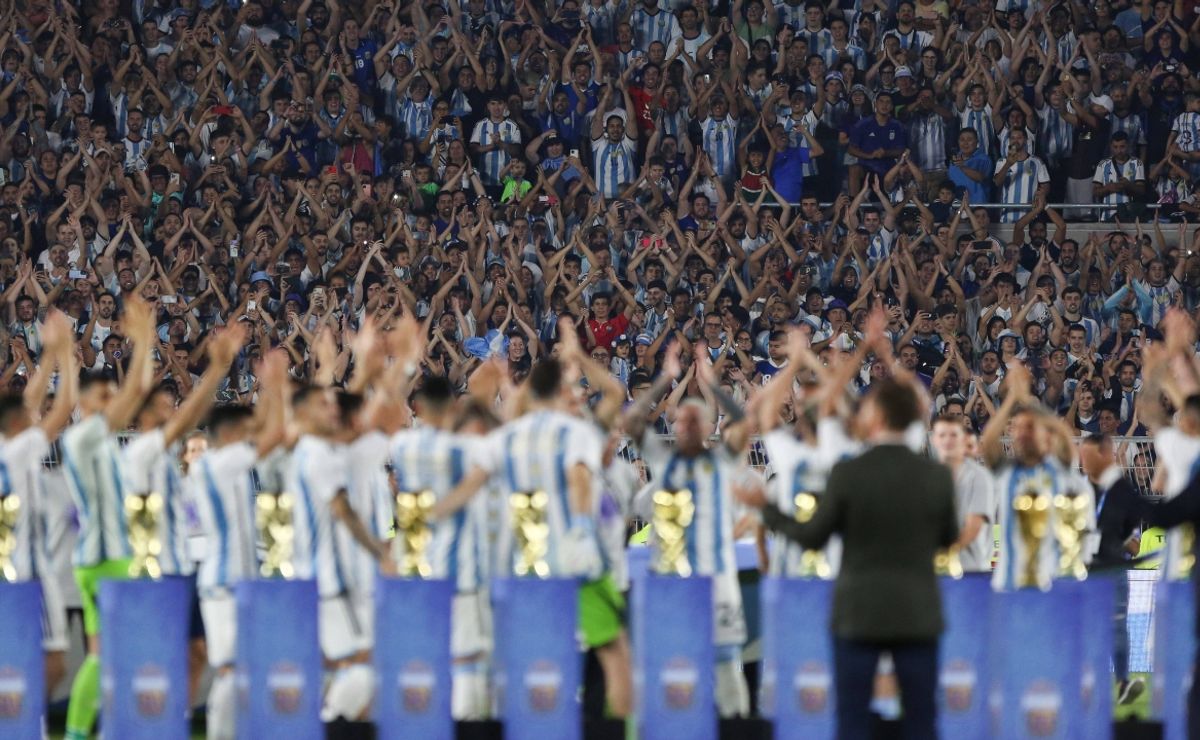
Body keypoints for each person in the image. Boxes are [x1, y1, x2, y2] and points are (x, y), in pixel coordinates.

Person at [736, 372, 957, 738]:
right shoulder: (936, 475)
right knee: (921, 719)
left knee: (853, 718)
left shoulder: (848, 473)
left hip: (858, 613)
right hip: (918, 612)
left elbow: (811, 537)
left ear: (879, 418)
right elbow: (947, 539)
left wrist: (767, 510)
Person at [61, 297, 158, 740]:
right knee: (106, 656)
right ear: (82, 401)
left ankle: (103, 730)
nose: (112, 400)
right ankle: (80, 731)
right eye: (102, 395)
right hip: (102, 560)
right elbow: (136, 392)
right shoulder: (81, 437)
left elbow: (132, 396)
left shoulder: (101, 443)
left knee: (116, 654)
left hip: (109, 557)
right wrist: (143, 342)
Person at [192, 352, 289, 740]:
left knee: (243, 669)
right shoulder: (218, 463)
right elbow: (273, 433)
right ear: (230, 434)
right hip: (223, 580)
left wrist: (268, 389)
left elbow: (264, 428)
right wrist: (277, 388)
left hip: (237, 577)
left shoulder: (223, 462)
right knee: (231, 671)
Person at [0, 310, 77, 708]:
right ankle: (24, 722)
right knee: (53, 662)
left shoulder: (8, 445)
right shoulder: (19, 450)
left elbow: (29, 403)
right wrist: (64, 356)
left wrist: (46, 356)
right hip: (26, 570)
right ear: (18, 426)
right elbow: (62, 409)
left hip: (10, 567)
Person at [1077, 433, 1145, 706]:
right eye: (1082, 455)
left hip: (1114, 569)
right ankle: (1083, 682)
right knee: (1084, 628)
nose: (1085, 460)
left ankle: (1123, 683)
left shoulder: (1123, 495)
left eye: (1090, 454)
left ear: (1106, 455)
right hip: (1083, 570)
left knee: (1117, 627)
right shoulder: (1074, 489)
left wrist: (1115, 537)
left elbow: (1136, 547)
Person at [929, 414, 996, 573]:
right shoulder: (926, 476)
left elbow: (973, 526)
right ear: (933, 439)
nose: (947, 440)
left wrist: (943, 556)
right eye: (942, 435)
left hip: (971, 571)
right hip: (934, 571)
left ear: (963, 439)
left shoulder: (979, 476)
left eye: (953, 435)